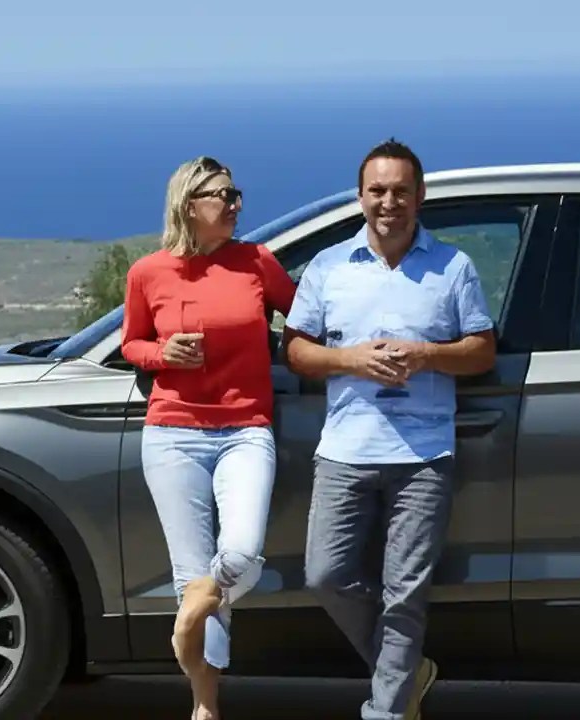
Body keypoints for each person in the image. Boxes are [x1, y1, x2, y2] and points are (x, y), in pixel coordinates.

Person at [282, 138, 497, 720]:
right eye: (378, 191)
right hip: (345, 450)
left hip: (425, 453)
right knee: (325, 575)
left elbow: (481, 350)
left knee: (405, 595)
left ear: (419, 196)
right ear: (360, 197)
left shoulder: (453, 267)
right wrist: (351, 360)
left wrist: (427, 355)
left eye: (401, 191)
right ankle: (406, 673)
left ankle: (388, 709)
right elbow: (297, 350)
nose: (389, 202)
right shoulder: (328, 267)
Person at [121, 156, 296, 720]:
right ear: (189, 204)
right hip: (172, 433)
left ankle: (198, 605)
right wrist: (161, 353)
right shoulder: (148, 272)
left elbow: (305, 318)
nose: (236, 204)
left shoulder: (256, 262)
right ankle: (205, 706)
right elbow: (131, 344)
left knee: (240, 554)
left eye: (236, 193)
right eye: (223, 195)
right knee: (188, 573)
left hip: (246, 430)